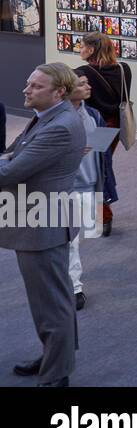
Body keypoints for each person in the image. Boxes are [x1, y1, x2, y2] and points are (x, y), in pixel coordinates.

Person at [2, 63, 86, 387]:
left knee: (51, 304)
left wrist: (7, 162)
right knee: (54, 299)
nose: (27, 89)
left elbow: (9, 172)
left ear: (59, 92)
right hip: (42, 219)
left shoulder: (59, 126)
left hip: (42, 224)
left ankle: (56, 375)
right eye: (28, 83)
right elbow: (14, 156)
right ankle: (55, 357)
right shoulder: (50, 117)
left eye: (36, 86)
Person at [75, 32, 131, 236]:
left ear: (90, 49)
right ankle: (102, 215)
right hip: (116, 124)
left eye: (81, 46)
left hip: (97, 126)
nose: (79, 49)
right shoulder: (124, 69)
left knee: (97, 170)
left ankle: (104, 217)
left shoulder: (81, 72)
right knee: (102, 165)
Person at [67, 75, 104, 312]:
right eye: (82, 84)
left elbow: (100, 151)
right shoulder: (57, 118)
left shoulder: (92, 114)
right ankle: (74, 288)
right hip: (66, 186)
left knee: (79, 236)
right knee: (69, 240)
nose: (88, 86)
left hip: (89, 183)